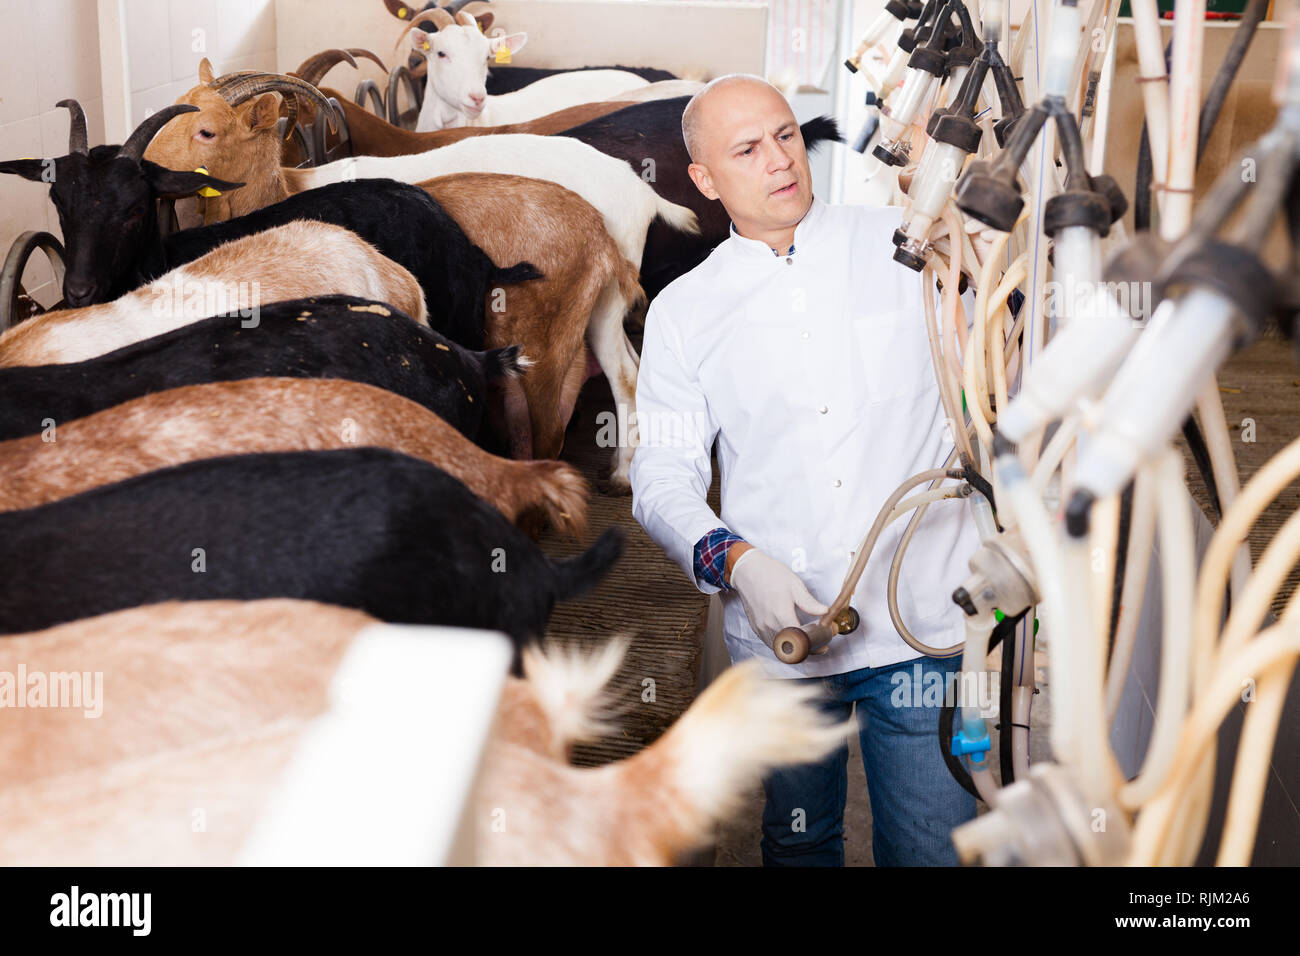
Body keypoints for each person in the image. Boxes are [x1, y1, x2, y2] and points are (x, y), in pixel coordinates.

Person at [629, 74, 981, 867]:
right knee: (799, 843)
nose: (780, 160)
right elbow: (660, 476)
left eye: (787, 135)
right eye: (748, 149)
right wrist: (735, 563)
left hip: (920, 629)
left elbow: (1007, 339)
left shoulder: (911, 244)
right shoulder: (685, 311)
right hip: (781, 641)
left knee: (933, 850)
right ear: (705, 180)